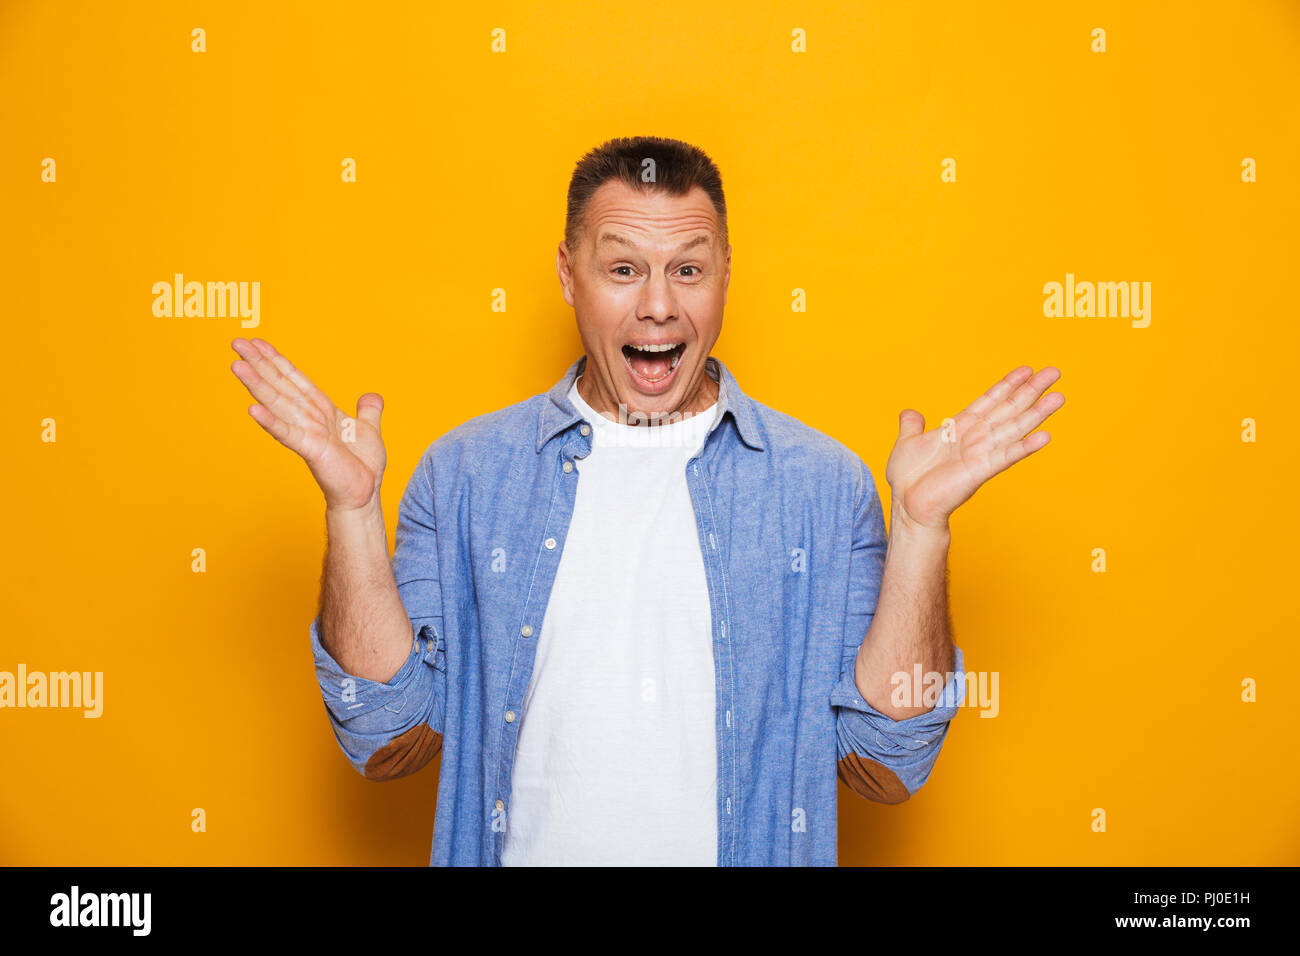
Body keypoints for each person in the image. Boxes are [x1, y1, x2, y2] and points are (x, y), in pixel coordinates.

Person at [229, 135, 1064, 866]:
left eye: (688, 270)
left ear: (726, 275)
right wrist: (351, 515)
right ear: (568, 274)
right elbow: (387, 740)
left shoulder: (821, 485)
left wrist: (920, 531)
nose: (659, 305)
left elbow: (884, 765)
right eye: (623, 268)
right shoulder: (467, 474)